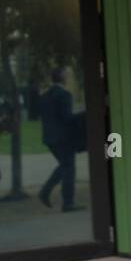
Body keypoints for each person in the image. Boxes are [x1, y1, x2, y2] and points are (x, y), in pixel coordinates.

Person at [32, 67, 82, 212]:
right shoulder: (65, 95)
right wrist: (84, 114)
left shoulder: (45, 96)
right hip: (63, 138)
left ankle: (46, 192)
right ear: (63, 78)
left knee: (64, 166)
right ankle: (68, 203)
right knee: (68, 168)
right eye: (67, 75)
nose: (69, 78)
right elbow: (67, 118)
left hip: (49, 138)